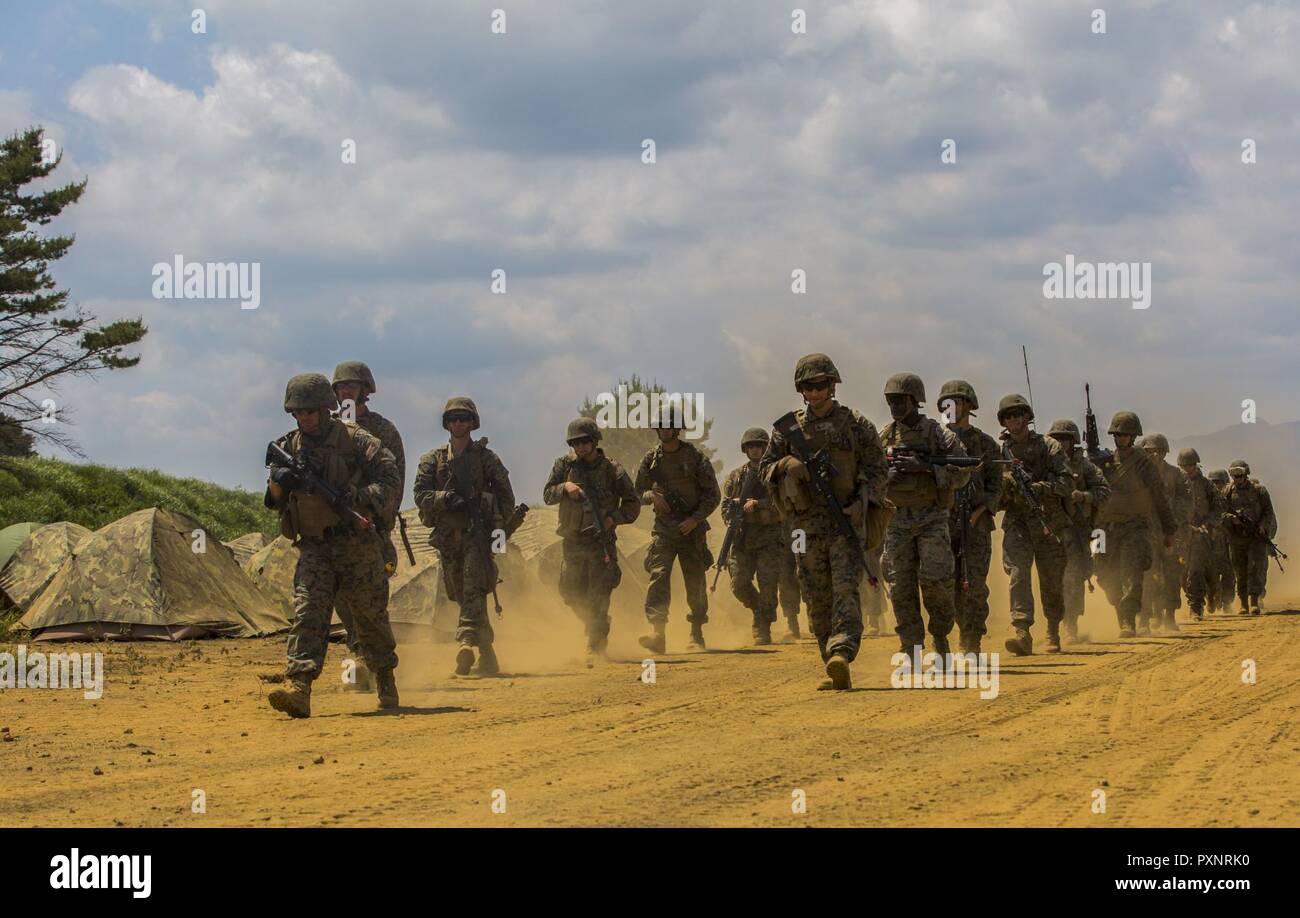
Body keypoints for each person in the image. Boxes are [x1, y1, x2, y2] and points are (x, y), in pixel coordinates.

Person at [264, 373, 400, 717]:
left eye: (310, 411)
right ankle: (299, 686)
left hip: (357, 544)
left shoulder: (356, 440)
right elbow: (274, 501)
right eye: (298, 412)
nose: (304, 418)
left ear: (326, 408)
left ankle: (384, 675)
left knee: (369, 615)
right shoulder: (289, 446)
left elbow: (389, 479)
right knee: (309, 612)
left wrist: (358, 497)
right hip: (315, 546)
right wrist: (280, 482)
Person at [759, 354, 887, 690]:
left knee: (845, 586)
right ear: (801, 390)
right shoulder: (787, 429)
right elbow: (765, 469)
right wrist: (787, 462)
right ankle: (829, 659)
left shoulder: (855, 424)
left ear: (832, 385)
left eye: (821, 385)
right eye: (808, 386)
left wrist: (863, 501)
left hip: (844, 520)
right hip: (802, 526)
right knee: (814, 592)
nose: (816, 393)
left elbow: (877, 469)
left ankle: (842, 650)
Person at [413, 397, 516, 675]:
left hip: (477, 535)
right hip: (447, 536)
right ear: (447, 424)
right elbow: (420, 495)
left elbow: (507, 500)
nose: (458, 423)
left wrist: (496, 533)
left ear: (472, 423)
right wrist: (446, 498)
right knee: (459, 593)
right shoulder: (432, 460)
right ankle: (487, 653)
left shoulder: (486, 458)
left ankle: (466, 643)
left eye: (464, 418)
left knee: (473, 586)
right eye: (453, 419)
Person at [878, 373, 971, 658]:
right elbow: (868, 475)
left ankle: (940, 636)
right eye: (891, 400)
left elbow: (964, 471)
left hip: (931, 519)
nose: (895, 406)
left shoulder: (939, 435)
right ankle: (910, 646)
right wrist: (886, 476)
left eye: (900, 400)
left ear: (915, 400)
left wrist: (928, 469)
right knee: (900, 587)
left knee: (936, 582)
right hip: (896, 522)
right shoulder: (883, 437)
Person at [331, 360, 406, 690]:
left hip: (370, 527)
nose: (346, 390)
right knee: (340, 598)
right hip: (333, 529)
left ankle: (373, 666)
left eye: (352, 385)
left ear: (365, 390)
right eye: (340, 386)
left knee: (372, 599)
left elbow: (395, 480)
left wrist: (380, 519)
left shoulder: (384, 430)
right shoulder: (325, 429)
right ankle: (359, 658)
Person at [542, 417, 640, 662]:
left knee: (599, 592)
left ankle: (596, 643)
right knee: (569, 592)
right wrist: (565, 487)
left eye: (585, 441)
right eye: (576, 443)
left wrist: (612, 519)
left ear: (595, 441)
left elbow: (633, 503)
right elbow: (547, 494)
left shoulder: (612, 469)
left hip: (600, 541)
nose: (581, 447)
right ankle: (596, 623)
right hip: (572, 540)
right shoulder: (563, 466)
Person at [633, 404, 721, 654]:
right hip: (664, 529)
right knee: (658, 576)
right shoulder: (651, 460)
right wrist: (651, 495)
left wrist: (695, 519)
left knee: (694, 580)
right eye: (660, 426)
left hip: (690, 530)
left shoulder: (695, 457)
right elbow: (635, 492)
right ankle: (657, 633)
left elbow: (713, 494)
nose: (664, 430)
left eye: (669, 426)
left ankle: (696, 632)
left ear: (678, 429)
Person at [996, 394, 1073, 655]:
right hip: (1017, 523)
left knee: (1051, 579)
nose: (1013, 420)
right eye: (1008, 416)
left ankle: (1052, 629)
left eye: (1018, 415)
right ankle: (1022, 632)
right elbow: (993, 489)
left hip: (1047, 521)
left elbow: (1066, 483)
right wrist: (1006, 491)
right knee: (1019, 575)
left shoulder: (1048, 446)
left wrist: (1039, 488)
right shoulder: (1000, 453)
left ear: (1027, 417)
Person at [1092, 412, 1175, 637]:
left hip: (1134, 526)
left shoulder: (1143, 465)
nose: (1121, 439)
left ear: (1134, 435)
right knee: (1102, 575)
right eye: (1118, 434)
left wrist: (1169, 530)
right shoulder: (1103, 462)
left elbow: (1159, 498)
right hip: (1101, 530)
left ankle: (1128, 620)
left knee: (1132, 573)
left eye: (1126, 435)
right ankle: (1121, 609)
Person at [938, 379, 1002, 654]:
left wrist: (980, 511)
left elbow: (996, 488)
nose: (951, 407)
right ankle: (946, 637)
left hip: (975, 524)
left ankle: (971, 640)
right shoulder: (935, 441)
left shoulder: (985, 444)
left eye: (956, 401)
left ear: (969, 406)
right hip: (942, 524)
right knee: (943, 585)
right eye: (946, 403)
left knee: (973, 585)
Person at [1045, 419, 1110, 643]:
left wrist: (1084, 497)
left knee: (1073, 577)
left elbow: (1104, 491)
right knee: (1050, 578)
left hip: (1075, 529)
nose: (1060, 443)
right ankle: (1051, 625)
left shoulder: (1085, 466)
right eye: (1056, 439)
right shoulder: (1045, 463)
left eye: (1064, 439)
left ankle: (1070, 624)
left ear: (1073, 441)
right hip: (1050, 529)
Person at [720, 428, 786, 645]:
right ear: (745, 449)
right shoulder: (736, 476)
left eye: (759, 446)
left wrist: (760, 504)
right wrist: (731, 517)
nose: (755, 450)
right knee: (738, 583)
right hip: (742, 538)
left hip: (769, 537)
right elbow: (726, 505)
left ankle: (763, 626)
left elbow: (785, 504)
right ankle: (759, 610)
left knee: (768, 585)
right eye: (751, 446)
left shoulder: (776, 474)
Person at [1222, 459, 1278, 615]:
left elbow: (1268, 512)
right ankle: (1243, 603)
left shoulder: (1259, 491)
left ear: (1246, 473)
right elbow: (1219, 512)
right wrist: (1231, 519)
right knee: (1240, 571)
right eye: (1233, 474)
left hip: (1255, 537)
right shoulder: (1227, 492)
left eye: (1239, 473)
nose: (1237, 477)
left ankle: (1254, 602)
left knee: (1255, 568)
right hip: (1236, 538)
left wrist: (1263, 526)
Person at [1176, 448, 1224, 622]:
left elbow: (1219, 507)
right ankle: (1195, 600)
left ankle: (1196, 607)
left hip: (1201, 534)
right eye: (1184, 465)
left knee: (1196, 570)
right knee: (1181, 572)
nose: (1188, 468)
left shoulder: (1206, 484)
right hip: (1181, 533)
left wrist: (1208, 522)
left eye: (1191, 465)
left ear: (1196, 464)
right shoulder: (1176, 482)